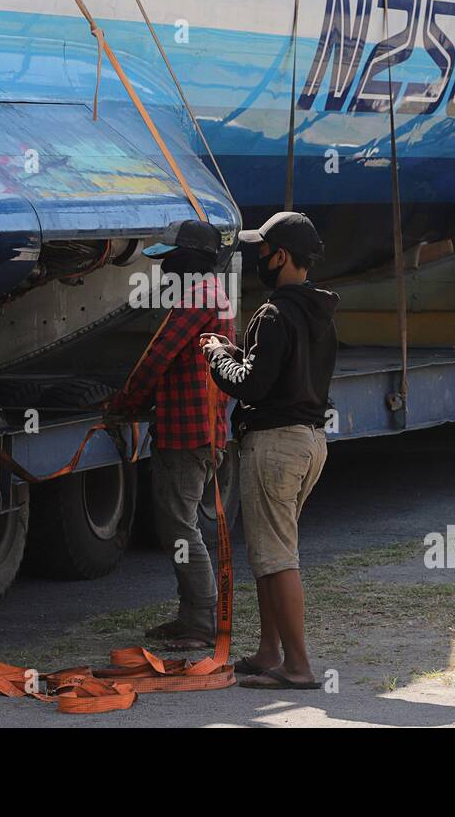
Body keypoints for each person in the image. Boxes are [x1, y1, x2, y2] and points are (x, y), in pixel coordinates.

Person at [202, 212, 338, 689]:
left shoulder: (273, 313)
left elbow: (250, 383)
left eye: (262, 250)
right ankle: (268, 652)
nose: (257, 257)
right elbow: (277, 375)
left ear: (280, 256)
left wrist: (217, 354)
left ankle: (297, 667)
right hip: (309, 442)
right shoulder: (317, 311)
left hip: (275, 445)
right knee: (268, 552)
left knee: (278, 557)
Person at [105, 219, 234, 651]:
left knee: (180, 527)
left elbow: (156, 358)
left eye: (170, 262)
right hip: (205, 429)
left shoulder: (196, 299)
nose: (163, 272)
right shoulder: (216, 295)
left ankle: (200, 622)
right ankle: (191, 616)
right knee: (184, 524)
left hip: (187, 433)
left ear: (189, 262)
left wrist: (123, 402)